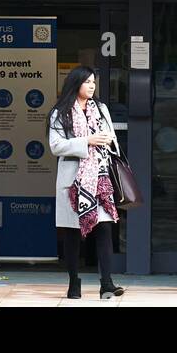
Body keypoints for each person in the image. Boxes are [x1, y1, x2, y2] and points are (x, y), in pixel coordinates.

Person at [48, 65, 125, 300]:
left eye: (94, 82)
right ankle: (74, 282)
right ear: (75, 83)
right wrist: (87, 141)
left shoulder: (101, 108)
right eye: (87, 82)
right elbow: (56, 146)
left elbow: (113, 140)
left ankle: (107, 284)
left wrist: (108, 141)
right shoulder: (60, 111)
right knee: (72, 233)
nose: (92, 86)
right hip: (74, 181)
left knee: (104, 228)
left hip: (100, 178)